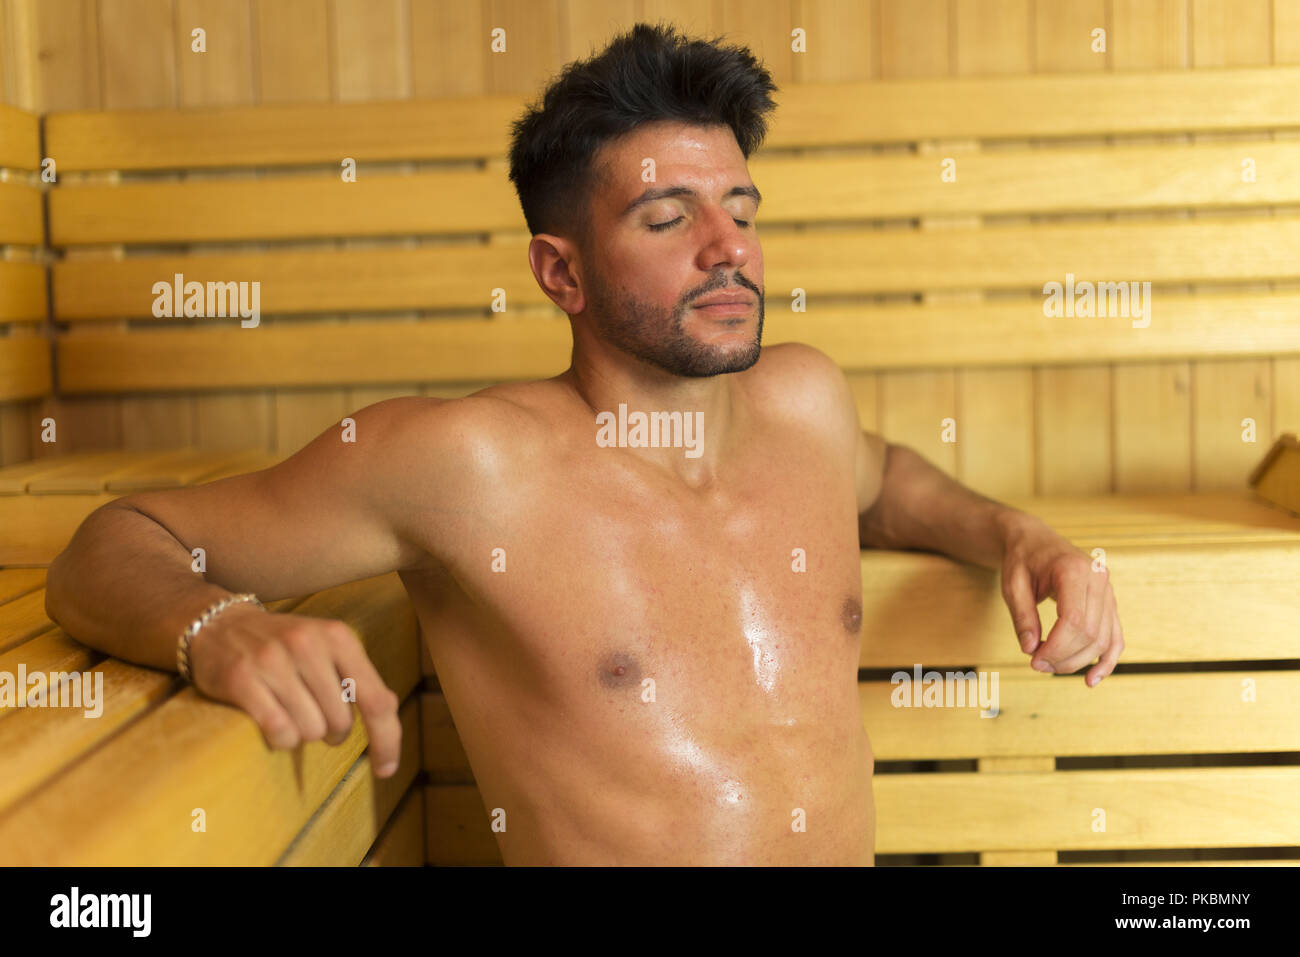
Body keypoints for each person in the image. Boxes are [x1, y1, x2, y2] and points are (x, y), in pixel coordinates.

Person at [44, 22, 1123, 865]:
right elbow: (112, 543)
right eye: (668, 220)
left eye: (739, 209)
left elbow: (883, 482)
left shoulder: (805, 400)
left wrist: (1018, 537)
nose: (727, 249)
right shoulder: (468, 463)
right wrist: (217, 629)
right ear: (559, 273)